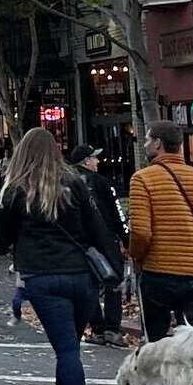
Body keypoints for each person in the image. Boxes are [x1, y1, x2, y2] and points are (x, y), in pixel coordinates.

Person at [0, 127, 112, 385]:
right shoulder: (75, 184)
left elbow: (2, 240)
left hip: (42, 277)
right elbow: (97, 228)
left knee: (66, 348)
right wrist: (112, 268)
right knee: (70, 345)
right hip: (80, 274)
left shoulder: (15, 191)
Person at [128, 121, 193, 341]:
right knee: (192, 341)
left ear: (158, 143)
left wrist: (137, 257)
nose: (144, 145)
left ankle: (160, 375)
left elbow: (141, 233)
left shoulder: (142, 179)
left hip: (158, 271)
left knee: (156, 340)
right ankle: (192, 376)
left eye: (148, 139)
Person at [72, 144, 128, 346]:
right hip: (105, 240)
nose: (97, 161)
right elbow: (117, 213)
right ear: (86, 161)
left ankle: (97, 328)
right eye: (94, 158)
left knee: (89, 286)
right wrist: (126, 238)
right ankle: (112, 329)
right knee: (113, 281)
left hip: (80, 243)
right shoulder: (103, 183)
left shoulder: (67, 183)